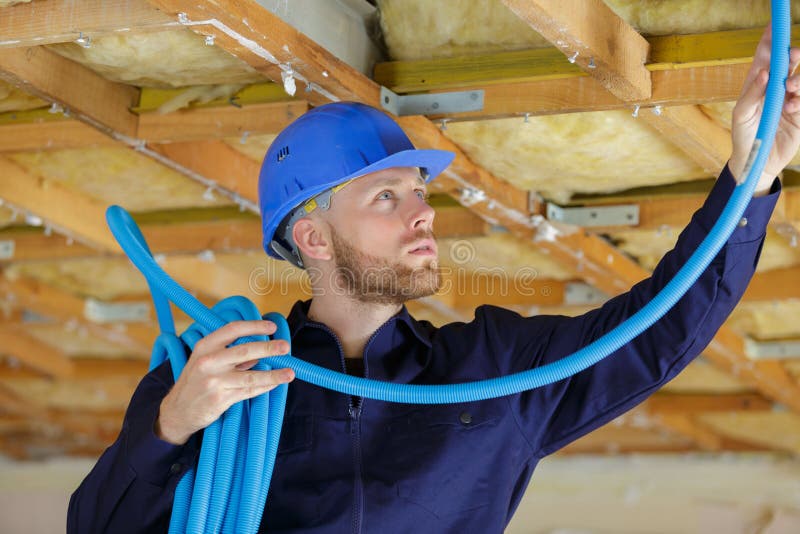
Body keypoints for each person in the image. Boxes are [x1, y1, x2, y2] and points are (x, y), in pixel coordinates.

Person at [68, 27, 800, 533]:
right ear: (313, 236)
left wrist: (751, 178)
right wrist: (169, 426)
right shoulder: (221, 382)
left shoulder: (492, 375)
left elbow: (661, 329)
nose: (423, 215)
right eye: (387, 196)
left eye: (419, 193)